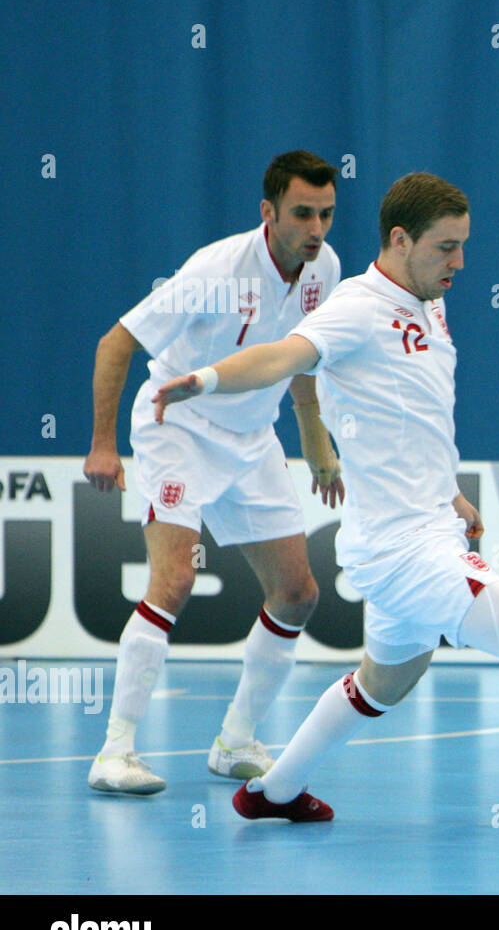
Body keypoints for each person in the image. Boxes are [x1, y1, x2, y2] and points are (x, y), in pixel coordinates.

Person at [151, 173, 499, 849]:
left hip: (421, 526)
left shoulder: (428, 303)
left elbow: (412, 412)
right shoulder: (356, 307)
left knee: (384, 681)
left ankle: (271, 792)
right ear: (400, 240)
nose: (461, 263)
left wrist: (446, 488)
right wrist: (208, 379)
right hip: (404, 551)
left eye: (463, 247)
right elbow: (288, 356)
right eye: (446, 247)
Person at [83, 150, 345, 795]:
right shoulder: (215, 270)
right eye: (303, 214)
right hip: (179, 423)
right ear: (268, 212)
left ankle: (235, 743)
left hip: (252, 437)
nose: (317, 229)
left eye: (328, 215)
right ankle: (114, 751)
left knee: (299, 594)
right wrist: (103, 445)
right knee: (173, 581)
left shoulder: (327, 270)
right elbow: (115, 343)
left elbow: (305, 359)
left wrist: (314, 441)